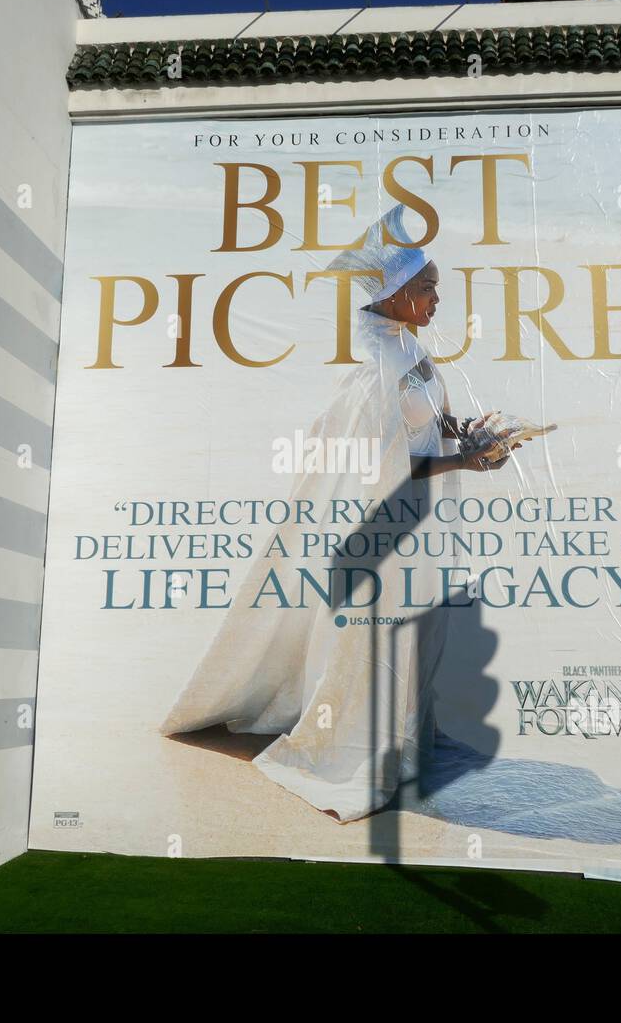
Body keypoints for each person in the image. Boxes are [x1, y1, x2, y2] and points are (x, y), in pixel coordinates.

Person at [160, 205, 513, 822]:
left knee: (418, 642)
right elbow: (384, 468)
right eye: (427, 287)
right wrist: (467, 465)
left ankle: (402, 742)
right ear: (396, 293)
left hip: (421, 531)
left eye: (435, 286)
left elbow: (429, 425)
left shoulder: (410, 354)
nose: (437, 298)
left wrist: (468, 436)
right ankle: (357, 752)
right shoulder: (377, 369)